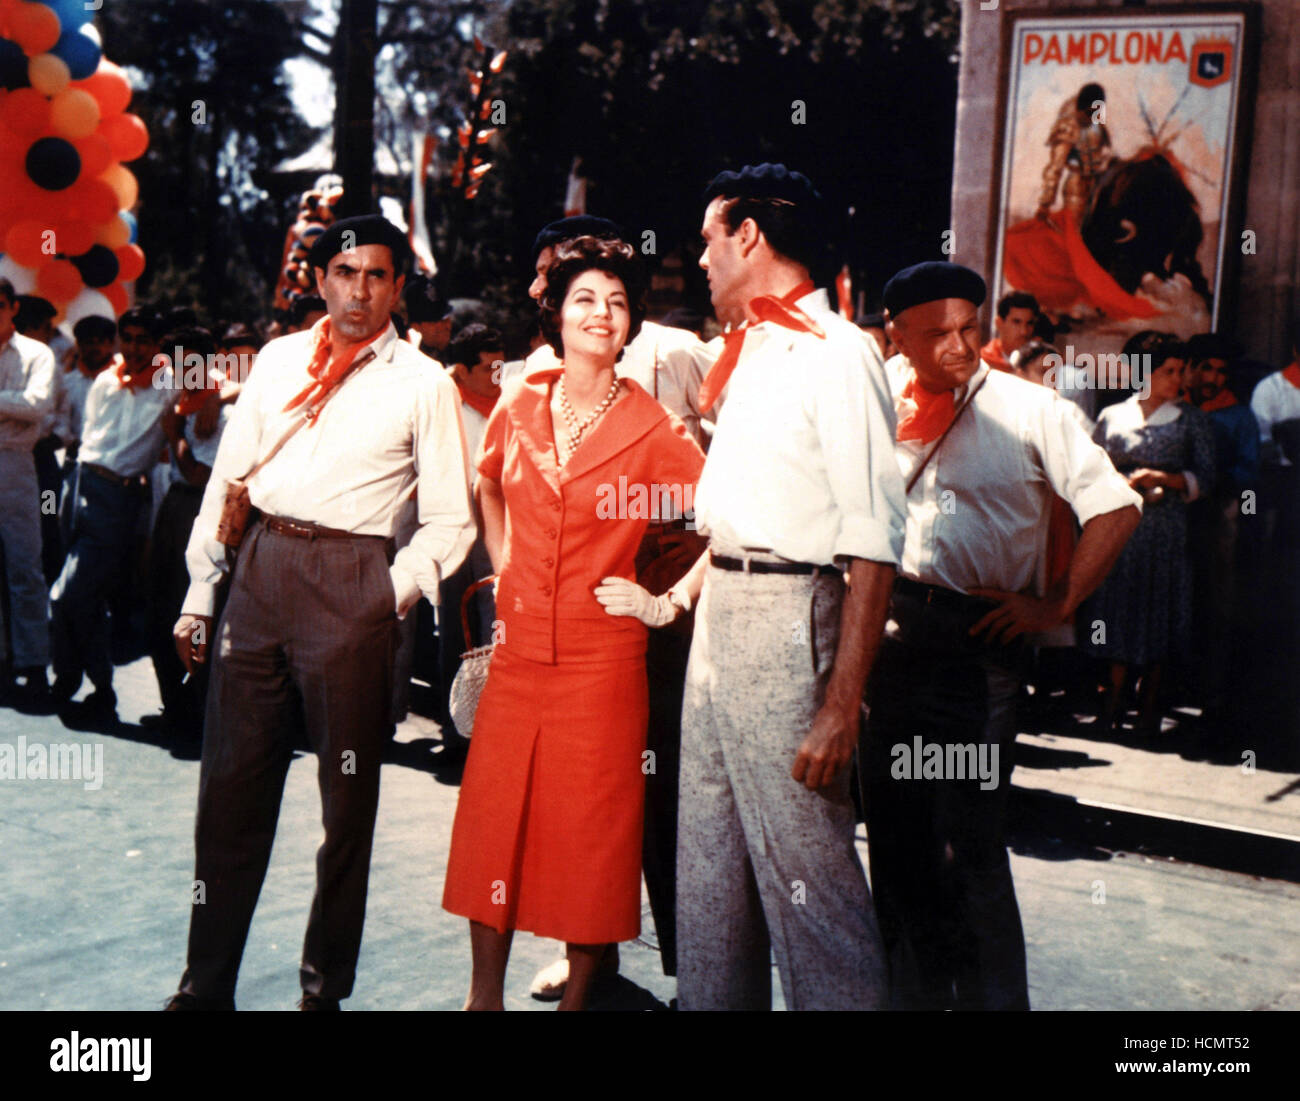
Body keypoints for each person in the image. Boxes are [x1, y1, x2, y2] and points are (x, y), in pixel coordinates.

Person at [165, 214, 475, 1011]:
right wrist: (203, 594)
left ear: (399, 288)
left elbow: (452, 518)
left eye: (377, 276)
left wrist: (386, 592)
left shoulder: (424, 383)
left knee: (347, 815)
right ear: (320, 280)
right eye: (345, 272)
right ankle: (203, 991)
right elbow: (227, 484)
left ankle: (321, 994)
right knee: (226, 800)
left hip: (353, 582)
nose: (359, 291)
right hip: (260, 571)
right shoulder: (273, 362)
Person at [862, 261, 1141, 1012]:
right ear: (897, 335)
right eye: (936, 334)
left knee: (971, 845)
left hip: (978, 645)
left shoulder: (1030, 408)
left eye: (969, 329)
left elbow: (1115, 508)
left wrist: (1054, 604)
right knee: (897, 844)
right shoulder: (875, 398)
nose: (958, 347)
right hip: (889, 640)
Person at [441, 236, 707, 1012]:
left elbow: (728, 520)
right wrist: (504, 563)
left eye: (618, 302)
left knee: (594, 838)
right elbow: (486, 484)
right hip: (518, 650)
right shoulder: (518, 401)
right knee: (493, 824)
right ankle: (481, 999)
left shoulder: (656, 426)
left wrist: (668, 601)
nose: (602, 312)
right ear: (555, 313)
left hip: (605, 661)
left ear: (631, 327)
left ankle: (579, 1001)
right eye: (586, 298)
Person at [673, 163, 905, 1011]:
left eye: (707, 239)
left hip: (789, 616)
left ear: (748, 235)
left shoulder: (840, 355)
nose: (700, 258)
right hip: (719, 617)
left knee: (813, 889)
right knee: (708, 883)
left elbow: (874, 542)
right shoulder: (749, 350)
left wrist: (842, 704)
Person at [1080, 331, 1214, 736]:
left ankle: (1149, 711)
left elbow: (1207, 478)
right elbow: (1092, 468)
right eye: (1168, 371)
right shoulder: (1113, 416)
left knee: (1159, 610)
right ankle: (1111, 704)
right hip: (1122, 529)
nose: (1178, 379)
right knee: (1117, 609)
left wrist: (1168, 479)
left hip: (1166, 532)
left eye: (1180, 370)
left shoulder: (1192, 421)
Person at [49, 306, 172, 725]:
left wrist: (213, 398)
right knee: (82, 596)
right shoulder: (107, 378)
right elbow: (89, 436)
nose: (134, 348)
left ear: (159, 344)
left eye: (144, 340)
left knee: (67, 596)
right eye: (129, 338)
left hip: (117, 496)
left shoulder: (170, 384)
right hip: (79, 481)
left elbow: (225, 382)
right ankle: (88, 685)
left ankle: (86, 682)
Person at [144, 326, 231, 739]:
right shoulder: (178, 401)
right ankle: (176, 708)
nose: (185, 372)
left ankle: (200, 713)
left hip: (199, 512)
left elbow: (199, 475)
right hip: (171, 510)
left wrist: (175, 435)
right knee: (158, 610)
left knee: (194, 612)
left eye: (193, 363)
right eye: (178, 364)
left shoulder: (224, 411)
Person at [1185, 333, 1260, 727]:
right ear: (1193, 370)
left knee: (1217, 605)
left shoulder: (1238, 416)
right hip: (1174, 516)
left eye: (1221, 371)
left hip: (1218, 517)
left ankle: (1213, 697)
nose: (1214, 377)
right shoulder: (1179, 408)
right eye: (1208, 368)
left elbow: (1250, 473)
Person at [437, 322, 503, 734]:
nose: (498, 378)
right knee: (453, 627)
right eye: (487, 370)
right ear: (460, 372)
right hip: (451, 529)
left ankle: (493, 727)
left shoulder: (510, 406)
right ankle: (456, 728)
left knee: (493, 622)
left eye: (501, 369)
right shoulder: (443, 407)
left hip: (496, 530)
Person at [0, 279, 56, 707]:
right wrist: (10, 406)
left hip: (16, 465)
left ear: (13, 307)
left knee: (24, 564)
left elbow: (36, 406)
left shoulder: (38, 354)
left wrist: (16, 411)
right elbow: (20, 407)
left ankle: (35, 663)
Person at [980, 290, 1038, 373]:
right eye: (1016, 322)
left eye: (1029, 323)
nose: (1024, 332)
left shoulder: (1043, 363)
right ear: (999, 323)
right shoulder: (982, 363)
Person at [403, 275, 454, 358]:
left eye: (446, 318)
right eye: (434, 322)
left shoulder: (459, 352)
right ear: (415, 327)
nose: (447, 326)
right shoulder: (406, 358)